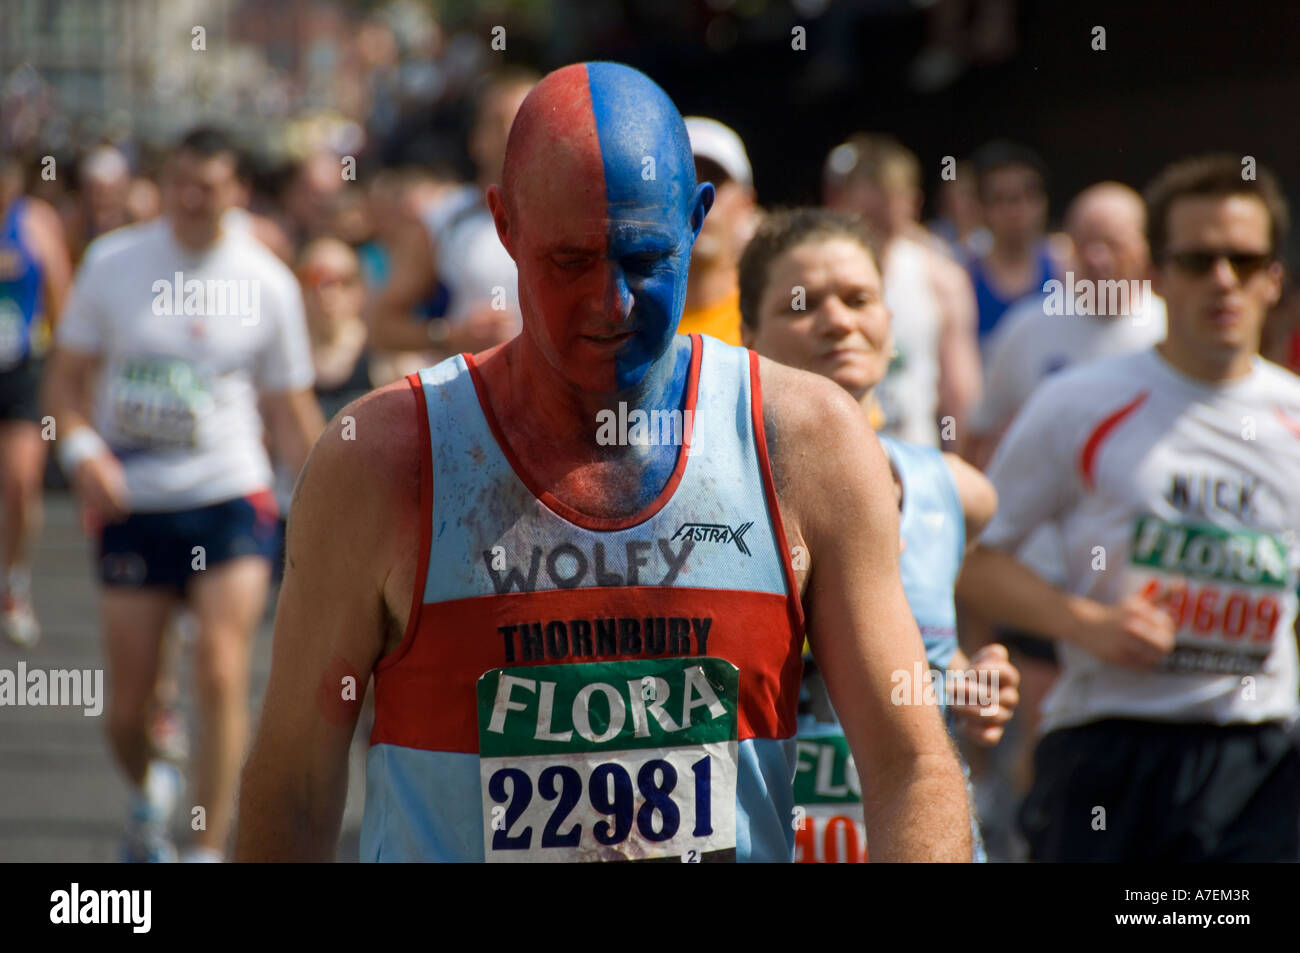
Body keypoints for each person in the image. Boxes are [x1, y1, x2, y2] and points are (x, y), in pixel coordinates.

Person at [235, 61, 972, 863]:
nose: (612, 302)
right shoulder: (383, 457)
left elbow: (910, 763)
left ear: (698, 221)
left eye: (644, 258)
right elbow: (295, 788)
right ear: (504, 225)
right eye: (570, 262)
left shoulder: (805, 440)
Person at [956, 154, 1300, 861]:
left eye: (1244, 258)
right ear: (1159, 274)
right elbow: (972, 559)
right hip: (1108, 747)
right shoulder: (1082, 402)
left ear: (1274, 277)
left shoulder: (1292, 416)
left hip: (1259, 754)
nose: (1222, 280)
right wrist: (1087, 623)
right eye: (1198, 259)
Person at [42, 126, 324, 862]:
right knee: (126, 710)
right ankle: (148, 792)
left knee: (221, 667)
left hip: (229, 496)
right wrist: (79, 449)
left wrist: (337, 496)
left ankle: (204, 845)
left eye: (211, 185)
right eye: (182, 183)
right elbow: (66, 382)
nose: (194, 198)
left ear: (238, 191)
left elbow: (290, 412)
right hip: (133, 504)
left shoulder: (267, 281)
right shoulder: (112, 264)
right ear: (164, 185)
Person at [738, 207, 1018, 861]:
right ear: (748, 334)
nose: (838, 320)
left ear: (890, 326)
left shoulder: (958, 492)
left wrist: (975, 678)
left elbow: (939, 648)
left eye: (860, 298)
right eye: (804, 304)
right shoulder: (706, 502)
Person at [366, 68, 537, 363]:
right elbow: (382, 327)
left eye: (524, 121)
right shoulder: (442, 219)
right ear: (476, 140)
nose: (509, 132)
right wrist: (449, 335)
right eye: (497, 122)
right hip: (471, 400)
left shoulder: (583, 216)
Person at [823, 134, 981, 448]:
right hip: (835, 456)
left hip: (916, 460)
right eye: (867, 220)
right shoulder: (815, 276)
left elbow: (961, 395)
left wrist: (953, 468)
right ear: (842, 202)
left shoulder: (942, 279)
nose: (876, 237)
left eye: (887, 221)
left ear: (912, 204)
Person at [0, 154, 73, 646]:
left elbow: (62, 301)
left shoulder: (36, 223)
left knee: (22, 479)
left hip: (22, 370)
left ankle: (14, 583)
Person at [965, 141, 1066, 352]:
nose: (1018, 210)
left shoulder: (1066, 269)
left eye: (1029, 196)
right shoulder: (962, 279)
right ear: (982, 208)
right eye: (1003, 199)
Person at [677, 117, 757, 346]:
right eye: (684, 180)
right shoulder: (626, 316)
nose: (698, 197)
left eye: (714, 182)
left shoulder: (774, 315)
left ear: (746, 204)